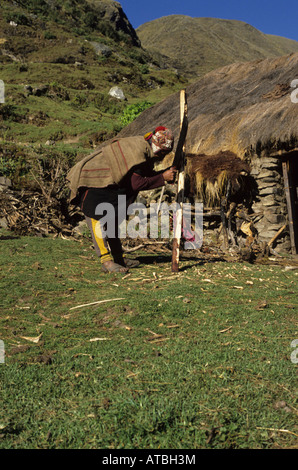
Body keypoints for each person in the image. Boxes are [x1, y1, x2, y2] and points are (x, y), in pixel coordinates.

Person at [67, 127, 176, 273]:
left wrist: (165, 172)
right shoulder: (137, 151)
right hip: (92, 182)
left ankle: (119, 258)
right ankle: (106, 261)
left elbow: (145, 176)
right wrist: (163, 177)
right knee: (97, 221)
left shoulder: (146, 152)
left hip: (107, 185)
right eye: (163, 153)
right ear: (158, 149)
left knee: (111, 222)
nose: (163, 157)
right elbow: (136, 183)